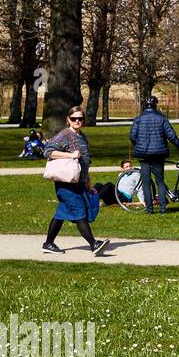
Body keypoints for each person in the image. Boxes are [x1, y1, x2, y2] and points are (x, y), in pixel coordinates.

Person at [41, 106, 109, 256]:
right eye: (74, 119)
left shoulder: (82, 137)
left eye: (80, 118)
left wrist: (88, 181)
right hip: (66, 184)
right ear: (68, 120)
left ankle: (48, 243)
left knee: (62, 212)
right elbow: (47, 151)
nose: (77, 121)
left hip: (79, 182)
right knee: (79, 211)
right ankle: (93, 244)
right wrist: (70, 155)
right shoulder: (64, 135)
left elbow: (85, 162)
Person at [130, 95, 179, 214]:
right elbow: (171, 136)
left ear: (144, 106)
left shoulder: (138, 119)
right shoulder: (162, 119)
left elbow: (132, 137)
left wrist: (139, 144)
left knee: (146, 182)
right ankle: (162, 208)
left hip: (143, 154)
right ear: (155, 105)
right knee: (160, 181)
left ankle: (149, 209)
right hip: (158, 153)